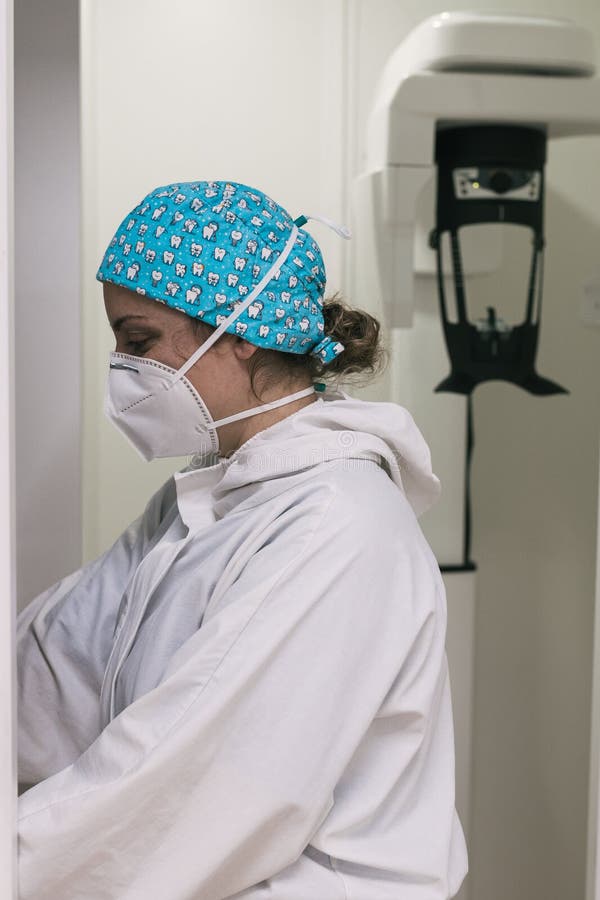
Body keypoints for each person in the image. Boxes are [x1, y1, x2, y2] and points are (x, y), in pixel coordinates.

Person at [16, 180, 468, 899]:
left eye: (140, 342)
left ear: (244, 332)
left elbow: (184, 784)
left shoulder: (337, 525)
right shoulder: (205, 501)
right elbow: (50, 666)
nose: (123, 370)